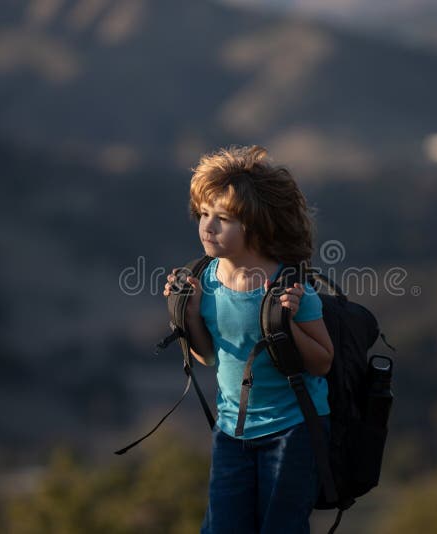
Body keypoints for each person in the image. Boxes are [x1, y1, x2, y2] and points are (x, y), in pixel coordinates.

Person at [163, 145, 334, 534]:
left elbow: (323, 361)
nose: (207, 226)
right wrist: (188, 314)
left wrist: (286, 327)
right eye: (204, 214)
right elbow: (208, 357)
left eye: (223, 218)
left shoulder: (290, 287)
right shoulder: (205, 279)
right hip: (232, 431)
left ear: (255, 226)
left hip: (292, 430)